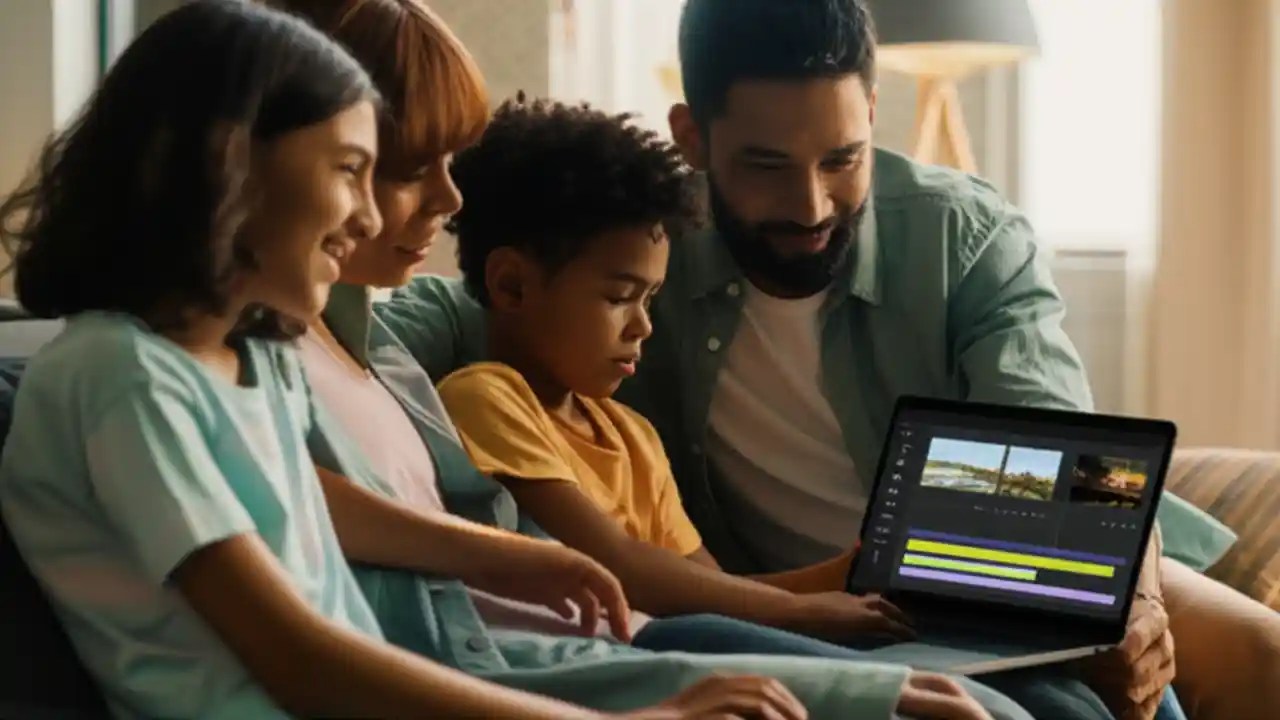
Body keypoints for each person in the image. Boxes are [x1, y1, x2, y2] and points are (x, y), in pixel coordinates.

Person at [0, 3, 977, 718]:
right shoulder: (117, 379)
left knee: (929, 702)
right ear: (230, 170)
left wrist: (508, 549)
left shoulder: (250, 359)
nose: (369, 214)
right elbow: (299, 662)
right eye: (352, 173)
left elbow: (294, 492)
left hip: (441, 668)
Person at [373, 0, 1280, 718]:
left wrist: (1138, 607)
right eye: (766, 166)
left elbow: (1060, 461)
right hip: (779, 592)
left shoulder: (962, 236)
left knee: (1246, 661)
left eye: (841, 158)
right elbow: (428, 321)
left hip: (990, 555)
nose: (810, 204)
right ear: (694, 138)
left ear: (873, 114)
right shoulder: (635, 245)